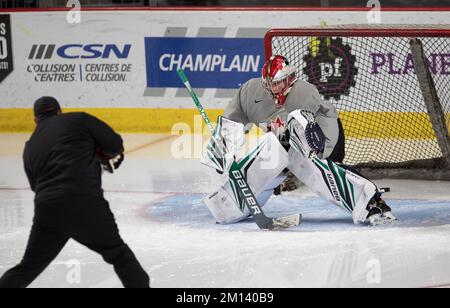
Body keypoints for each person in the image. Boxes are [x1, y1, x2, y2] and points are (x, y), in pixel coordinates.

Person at [203, 55, 397, 226]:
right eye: (271, 82)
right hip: (285, 143)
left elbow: (306, 130)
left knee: (306, 161)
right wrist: (223, 151)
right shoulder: (249, 92)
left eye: (280, 82)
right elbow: (232, 121)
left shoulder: (303, 92)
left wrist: (304, 140)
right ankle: (228, 205)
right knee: (274, 152)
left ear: (289, 78)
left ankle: (369, 200)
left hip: (325, 137)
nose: (274, 87)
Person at [0, 97, 150, 288]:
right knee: (119, 254)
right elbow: (114, 144)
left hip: (48, 211)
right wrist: (100, 155)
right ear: (59, 111)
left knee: (27, 268)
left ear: (35, 121)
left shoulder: (29, 147)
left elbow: (36, 186)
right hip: (84, 202)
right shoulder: (78, 120)